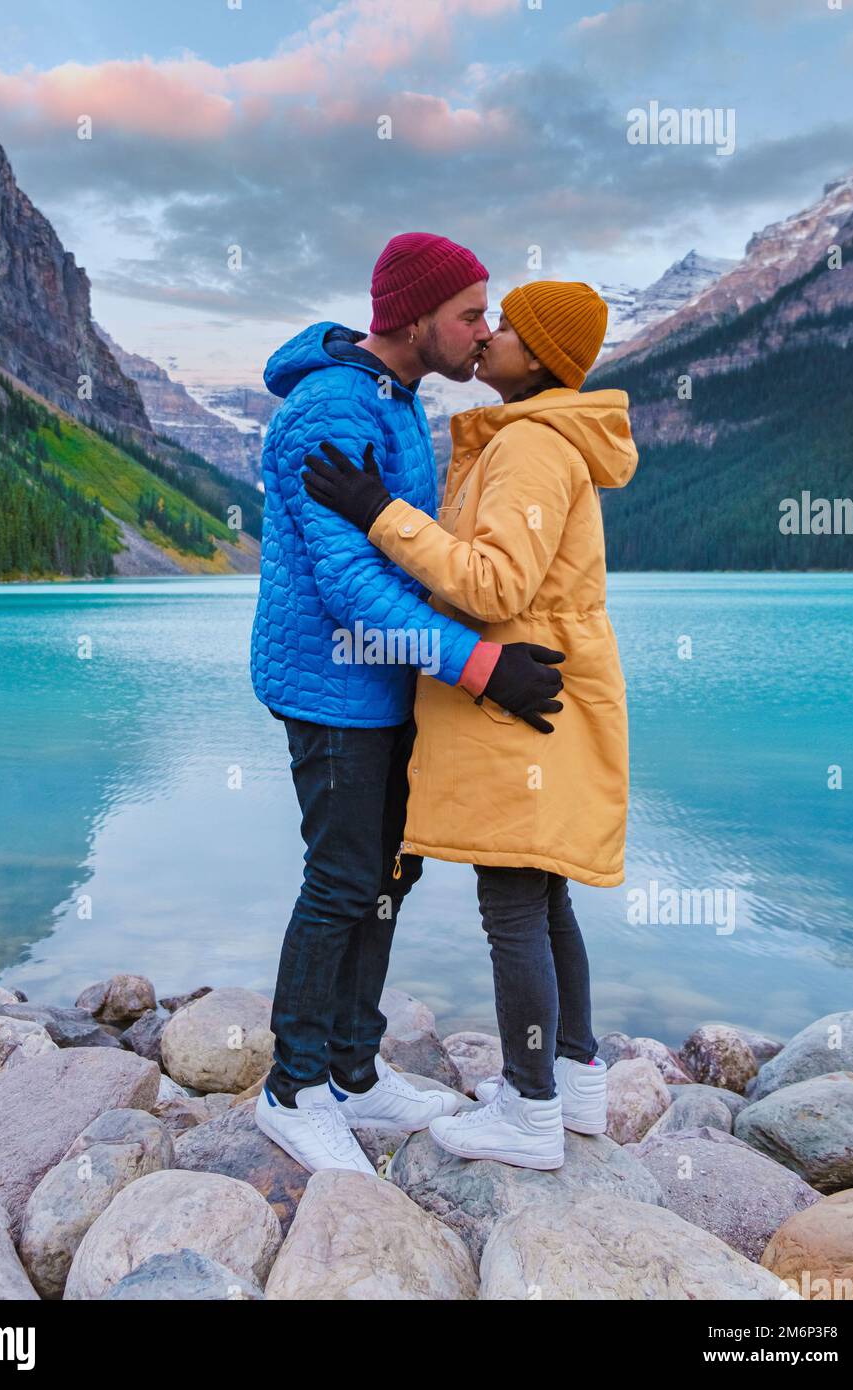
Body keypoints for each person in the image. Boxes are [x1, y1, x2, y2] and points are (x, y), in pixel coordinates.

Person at [301, 279, 639, 1170]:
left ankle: (529, 1111)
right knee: (546, 894)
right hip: (551, 690)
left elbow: (493, 585)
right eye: (485, 320)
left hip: (519, 698)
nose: (488, 338)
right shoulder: (547, 434)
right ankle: (575, 1079)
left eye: (509, 329)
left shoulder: (529, 443)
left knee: (513, 905)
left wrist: (378, 512)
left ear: (544, 358)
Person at [249, 235, 565, 1175]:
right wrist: (482, 666)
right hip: (334, 686)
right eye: (469, 314)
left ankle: (353, 1068)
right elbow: (350, 585)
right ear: (415, 317)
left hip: (390, 683)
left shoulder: (396, 396)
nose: (484, 332)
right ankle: (293, 1088)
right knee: (342, 880)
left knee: (391, 873)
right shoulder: (330, 407)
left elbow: (409, 549)